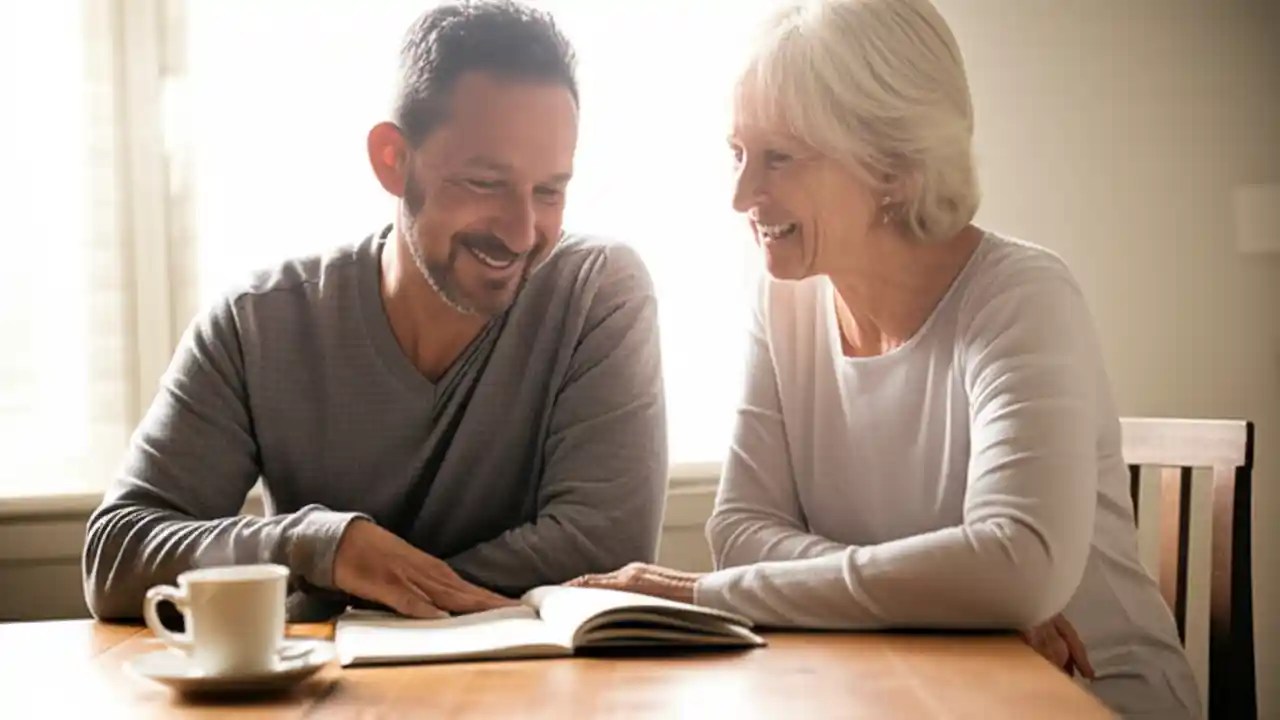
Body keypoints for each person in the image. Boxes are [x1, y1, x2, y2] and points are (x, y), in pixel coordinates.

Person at [568, 0, 1198, 716]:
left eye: (779, 158)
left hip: (1083, 693)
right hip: (914, 682)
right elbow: (740, 533)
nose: (742, 193)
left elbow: (1018, 563)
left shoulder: (1022, 296)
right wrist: (956, 598)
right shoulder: (783, 301)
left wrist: (700, 594)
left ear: (893, 166)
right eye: (738, 152)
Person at [83, 0, 667, 623]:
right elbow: (115, 557)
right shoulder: (258, 325)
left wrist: (343, 593)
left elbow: (605, 546)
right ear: (393, 159)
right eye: (485, 183)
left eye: (549, 191)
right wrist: (321, 545)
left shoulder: (597, 293)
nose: (523, 232)